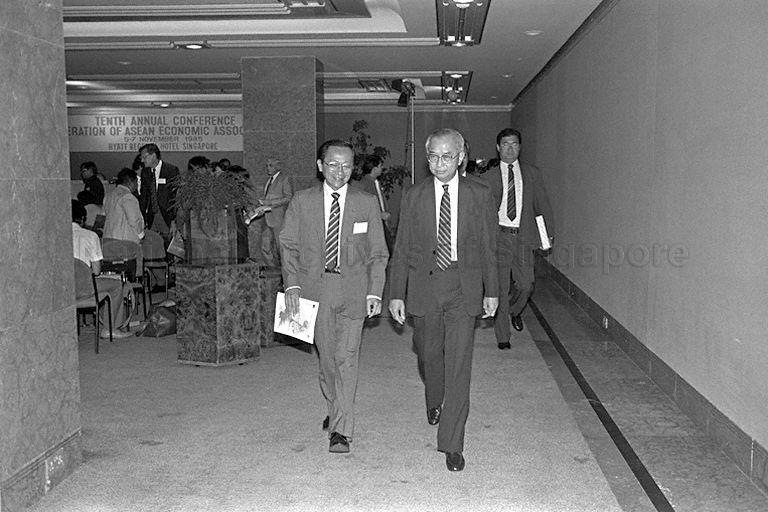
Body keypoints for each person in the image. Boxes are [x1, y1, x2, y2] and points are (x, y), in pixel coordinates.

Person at [388, 128, 499, 472]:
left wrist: (492, 290)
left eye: (446, 156)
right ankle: (433, 396)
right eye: (433, 156)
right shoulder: (414, 196)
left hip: (462, 287)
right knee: (428, 353)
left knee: (460, 365)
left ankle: (452, 442)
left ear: (461, 157)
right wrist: (396, 293)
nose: (439, 163)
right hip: (425, 286)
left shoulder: (479, 194)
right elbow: (403, 247)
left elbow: (487, 247)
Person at [279, 139, 389, 454]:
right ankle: (334, 406)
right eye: (333, 164)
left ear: (354, 168)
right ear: (320, 166)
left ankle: (340, 430)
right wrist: (292, 284)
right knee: (327, 360)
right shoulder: (302, 201)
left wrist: (375, 291)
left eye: (346, 165)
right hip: (314, 290)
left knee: (347, 359)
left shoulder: (365, 202)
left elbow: (378, 253)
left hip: (354, 290)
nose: (340, 171)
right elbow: (288, 244)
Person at [480, 128, 554, 349]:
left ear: (520, 147)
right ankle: (503, 337)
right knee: (500, 288)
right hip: (499, 237)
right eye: (505, 144)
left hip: (523, 237)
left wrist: (546, 236)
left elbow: (542, 206)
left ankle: (514, 311)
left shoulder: (532, 173)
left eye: (514, 144)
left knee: (526, 285)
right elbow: (481, 212)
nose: (510, 148)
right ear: (497, 147)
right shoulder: (487, 178)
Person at [72, 200, 132, 339]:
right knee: (116, 285)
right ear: (82, 219)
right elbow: (97, 271)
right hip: (84, 288)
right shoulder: (90, 236)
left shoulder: (56, 238)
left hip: (63, 289)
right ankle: (110, 328)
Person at [249, 157, 293, 266]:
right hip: (266, 218)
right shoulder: (269, 180)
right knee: (265, 247)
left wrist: (269, 202)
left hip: (278, 218)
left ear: (278, 167)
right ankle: (272, 270)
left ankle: (284, 273)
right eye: (267, 165)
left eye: (271, 165)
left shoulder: (284, 179)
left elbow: (288, 197)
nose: (268, 168)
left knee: (279, 248)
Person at [103, 168, 145, 273]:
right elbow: (134, 220)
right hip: (125, 244)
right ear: (130, 182)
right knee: (128, 274)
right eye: (136, 182)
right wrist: (141, 235)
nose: (136, 185)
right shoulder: (128, 197)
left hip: (108, 241)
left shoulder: (109, 196)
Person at [139, 143, 179, 246]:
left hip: (167, 215)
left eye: (144, 157)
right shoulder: (145, 172)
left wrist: (174, 220)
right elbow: (144, 197)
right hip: (151, 216)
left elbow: (175, 197)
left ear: (153, 155)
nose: (142, 160)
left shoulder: (171, 170)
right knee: (152, 245)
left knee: (168, 245)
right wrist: (142, 217)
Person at [350, 154, 392, 250]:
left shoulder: (376, 183)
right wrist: (379, 214)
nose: (382, 168)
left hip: (380, 225)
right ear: (374, 168)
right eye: (380, 166)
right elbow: (360, 207)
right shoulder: (363, 185)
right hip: (372, 227)